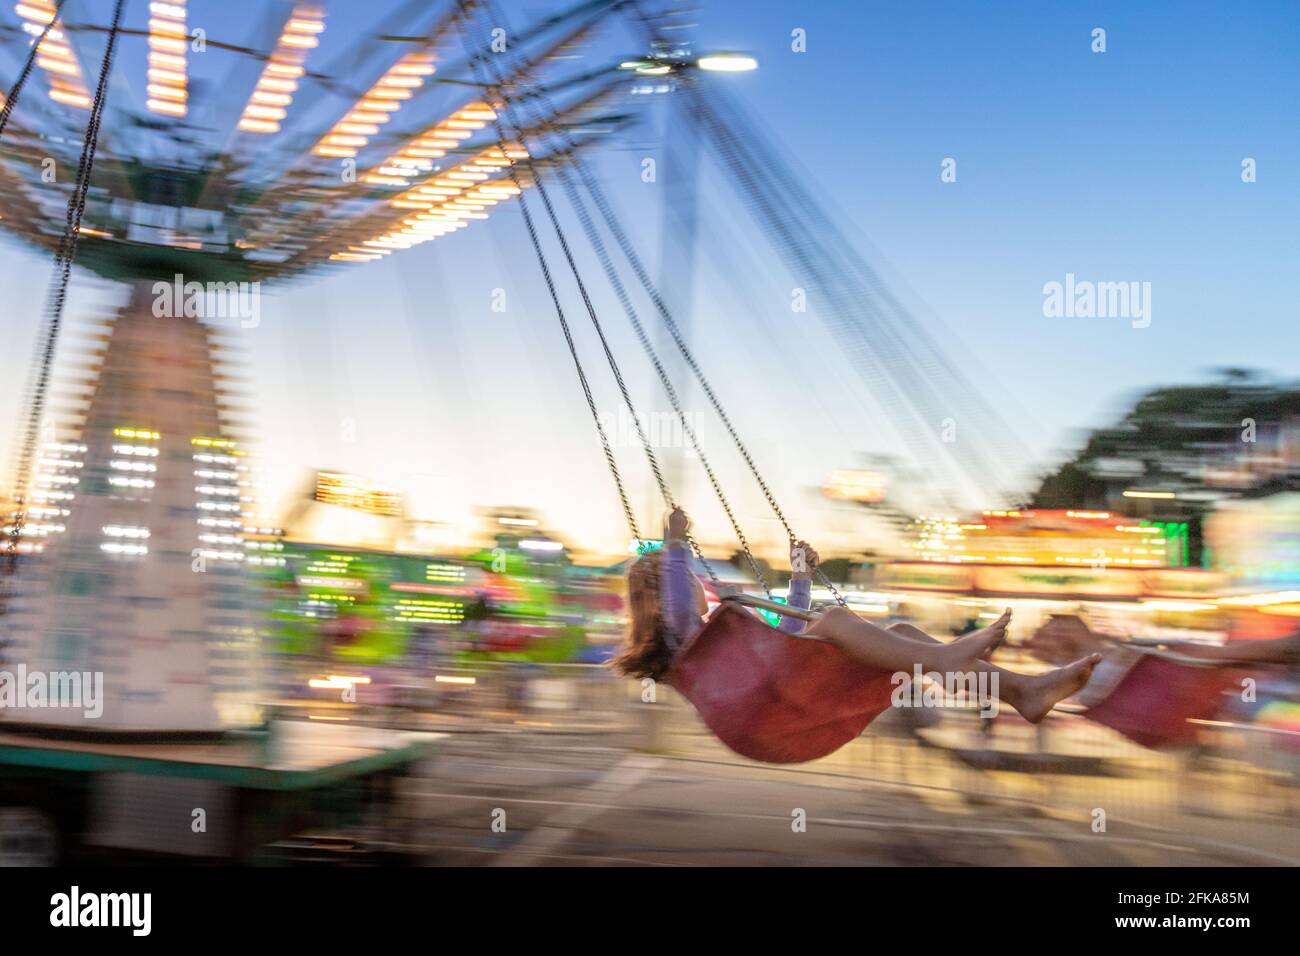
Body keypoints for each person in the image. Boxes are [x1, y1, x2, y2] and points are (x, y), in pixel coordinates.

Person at [613, 507, 1103, 724]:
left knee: (905, 634)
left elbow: (785, 630)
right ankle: (952, 661)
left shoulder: (706, 637)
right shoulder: (682, 638)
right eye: (686, 577)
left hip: (779, 693)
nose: (697, 582)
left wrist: (800, 577)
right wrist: (674, 543)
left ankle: (1023, 690)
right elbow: (676, 600)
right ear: (662, 596)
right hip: (764, 709)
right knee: (835, 620)